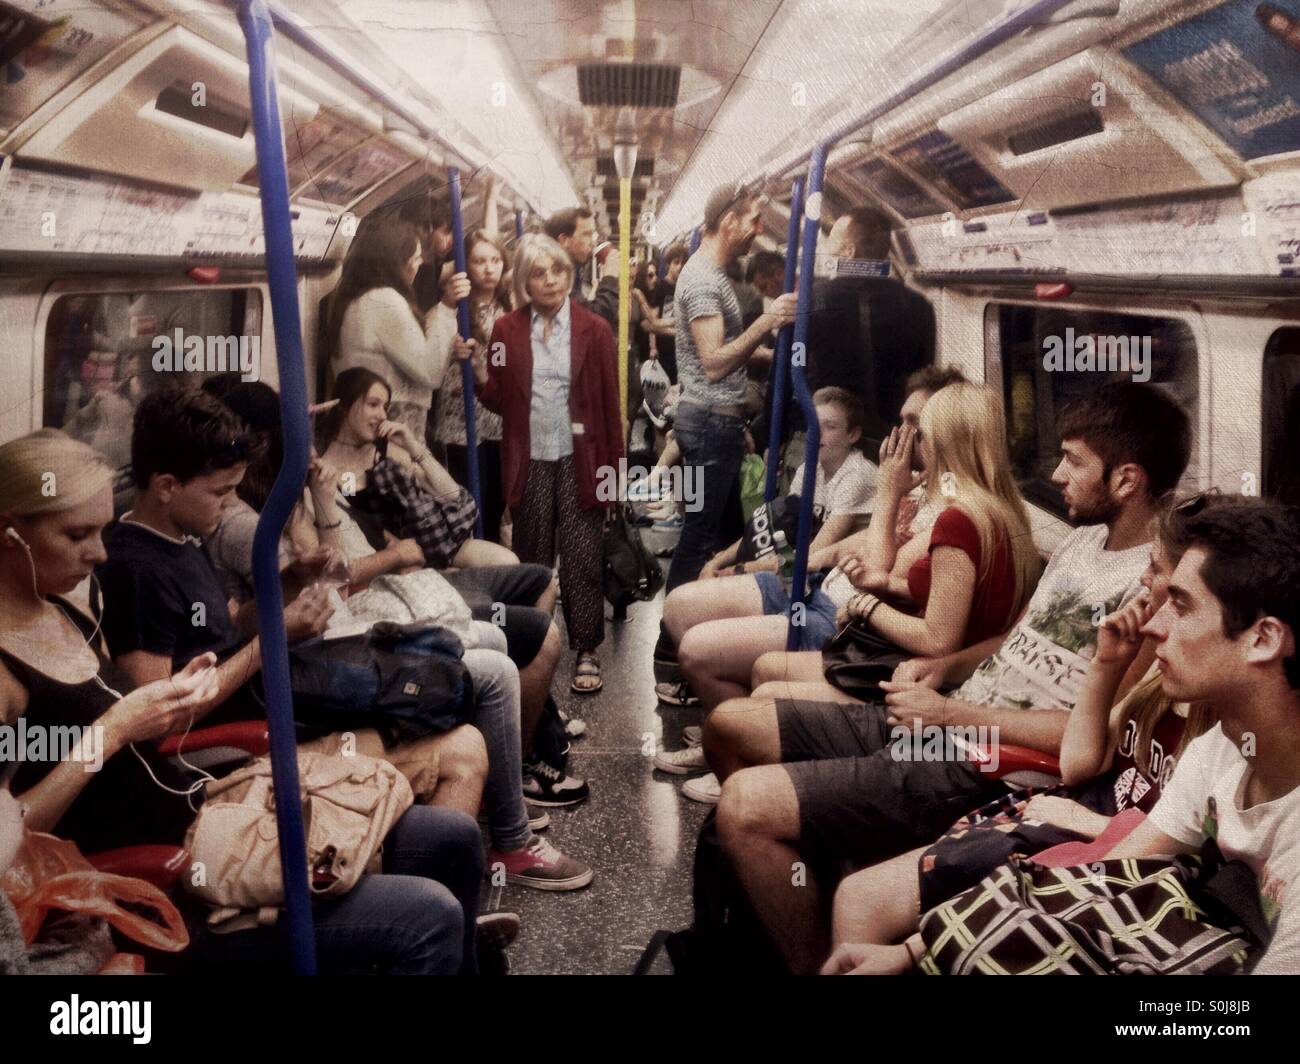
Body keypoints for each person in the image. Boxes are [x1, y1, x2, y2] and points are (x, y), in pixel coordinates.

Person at [708, 380, 1191, 973]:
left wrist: (952, 714)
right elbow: (1013, 638)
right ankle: (803, 875)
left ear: (1127, 480)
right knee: (732, 724)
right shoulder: (1081, 541)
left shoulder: (1156, 594)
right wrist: (946, 667)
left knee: (743, 807)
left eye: (1074, 461)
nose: (1058, 475)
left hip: (993, 758)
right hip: (948, 714)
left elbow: (1091, 739)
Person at [0, 430, 487, 974]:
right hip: (167, 883)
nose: (100, 552)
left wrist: (170, 696)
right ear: (8, 531)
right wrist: (111, 731)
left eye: (99, 529)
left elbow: (138, 722)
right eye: (77, 535)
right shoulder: (4, 674)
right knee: (430, 916)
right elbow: (9, 837)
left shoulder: (63, 609)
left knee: (452, 838)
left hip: (209, 813)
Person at [823, 495, 1217, 974]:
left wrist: (1085, 822)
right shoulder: (1157, 677)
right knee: (855, 889)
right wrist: (1107, 664)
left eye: (1160, 577)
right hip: (1070, 808)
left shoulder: (1211, 718)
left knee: (861, 898)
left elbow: (1186, 844)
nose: (1142, 583)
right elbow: (1080, 762)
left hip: (1093, 837)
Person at [460, 233, 623, 696]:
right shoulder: (506, 331)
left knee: (581, 557)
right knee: (531, 560)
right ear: (525, 282)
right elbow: (496, 398)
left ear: (569, 274)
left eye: (557, 270)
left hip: (581, 459)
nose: (550, 280)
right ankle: (533, 643)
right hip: (528, 459)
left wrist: (614, 477)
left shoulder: (596, 329)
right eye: (538, 273)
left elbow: (612, 409)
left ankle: (587, 647)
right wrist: (475, 370)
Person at [662, 182, 798, 598]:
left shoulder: (710, 275)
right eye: (754, 220)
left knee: (705, 531)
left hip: (714, 419)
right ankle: (674, 630)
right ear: (728, 221)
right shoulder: (704, 281)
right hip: (708, 422)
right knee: (700, 536)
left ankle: (685, 623)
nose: (759, 229)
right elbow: (715, 362)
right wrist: (767, 320)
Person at [324, 215, 449, 442]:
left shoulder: (355, 298)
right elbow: (430, 372)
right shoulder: (384, 301)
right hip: (390, 427)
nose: (419, 265)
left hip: (363, 420)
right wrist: (447, 311)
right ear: (397, 262)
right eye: (416, 258)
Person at [427, 229, 511, 543]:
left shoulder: (510, 307)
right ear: (465, 265)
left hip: (498, 418)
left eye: (495, 260)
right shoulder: (451, 309)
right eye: (478, 261)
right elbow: (432, 354)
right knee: (467, 502)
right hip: (460, 420)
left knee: (495, 500)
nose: (489, 268)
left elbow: (505, 361)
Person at [543, 207, 598, 306]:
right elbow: (580, 317)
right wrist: (609, 281)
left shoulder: (574, 272)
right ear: (564, 240)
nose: (593, 243)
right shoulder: (550, 278)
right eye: (586, 235)